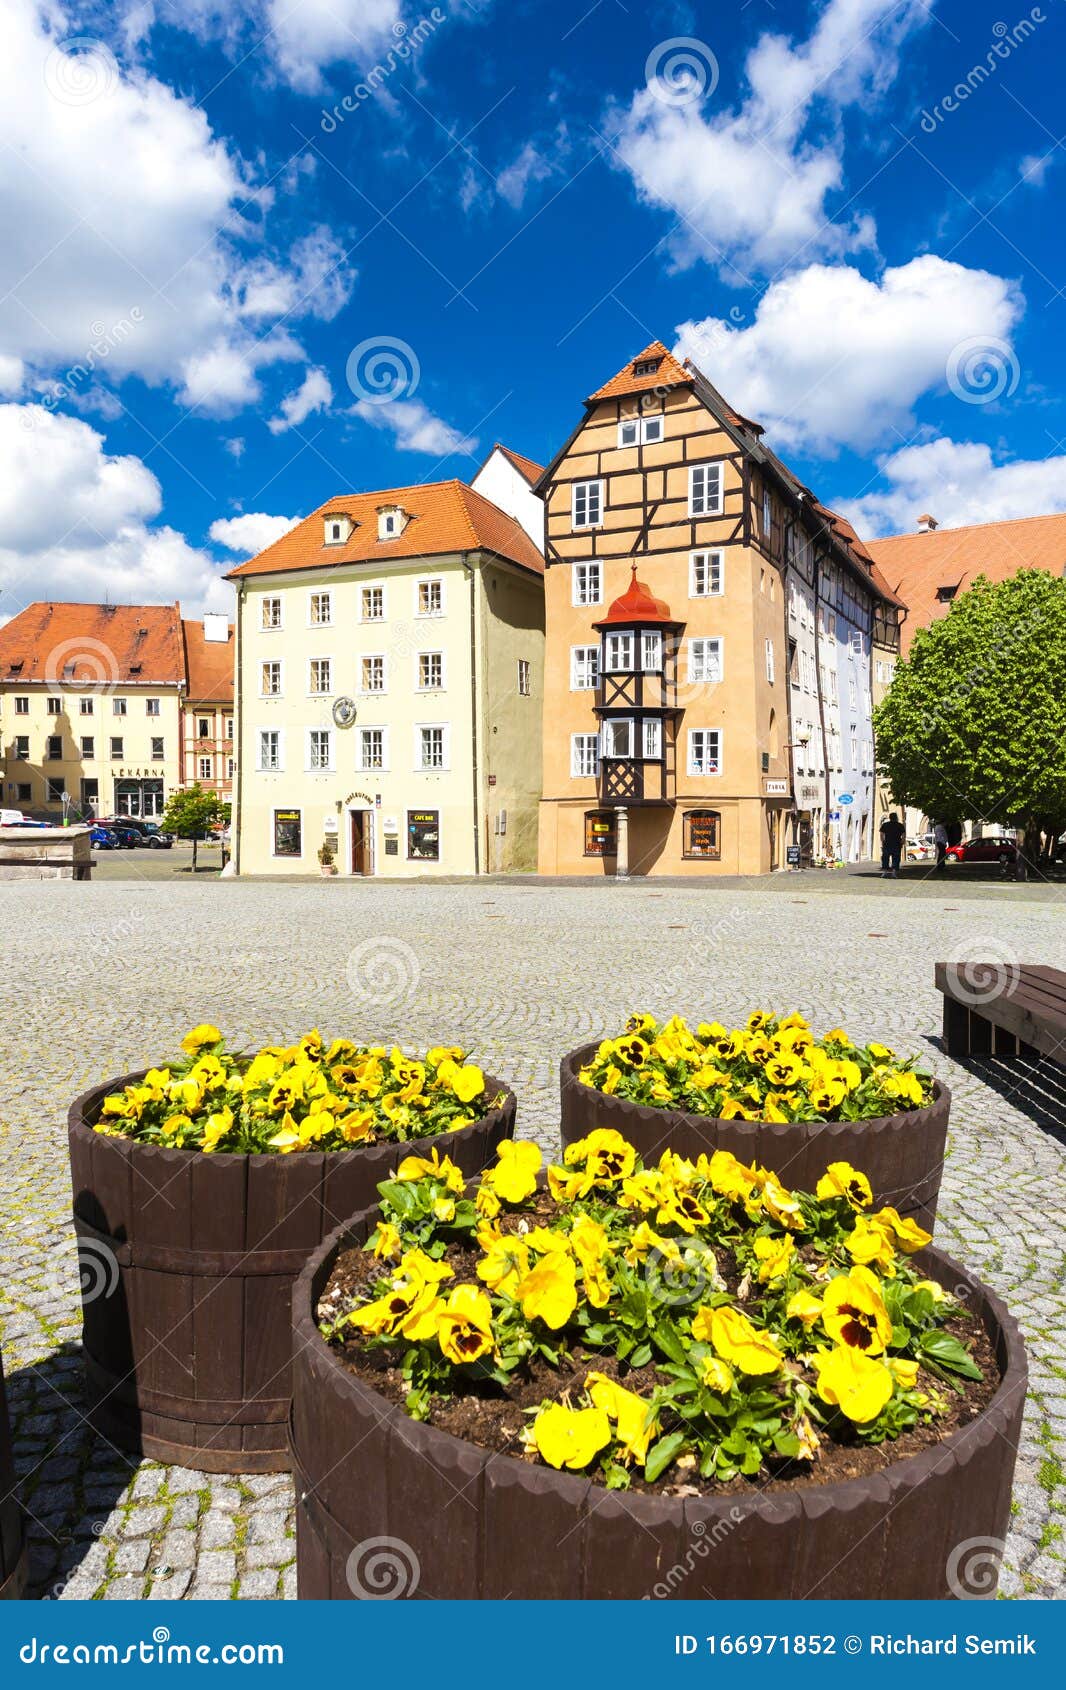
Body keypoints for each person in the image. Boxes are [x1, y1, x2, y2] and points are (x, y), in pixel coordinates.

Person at [881, 812, 905, 878]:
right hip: (897, 844)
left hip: (887, 843)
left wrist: (883, 842)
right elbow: (903, 835)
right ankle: (894, 872)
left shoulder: (885, 824)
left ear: (890, 818)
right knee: (896, 858)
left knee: (885, 858)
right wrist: (902, 842)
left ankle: (885, 872)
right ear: (896, 818)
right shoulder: (900, 825)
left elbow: (882, 834)